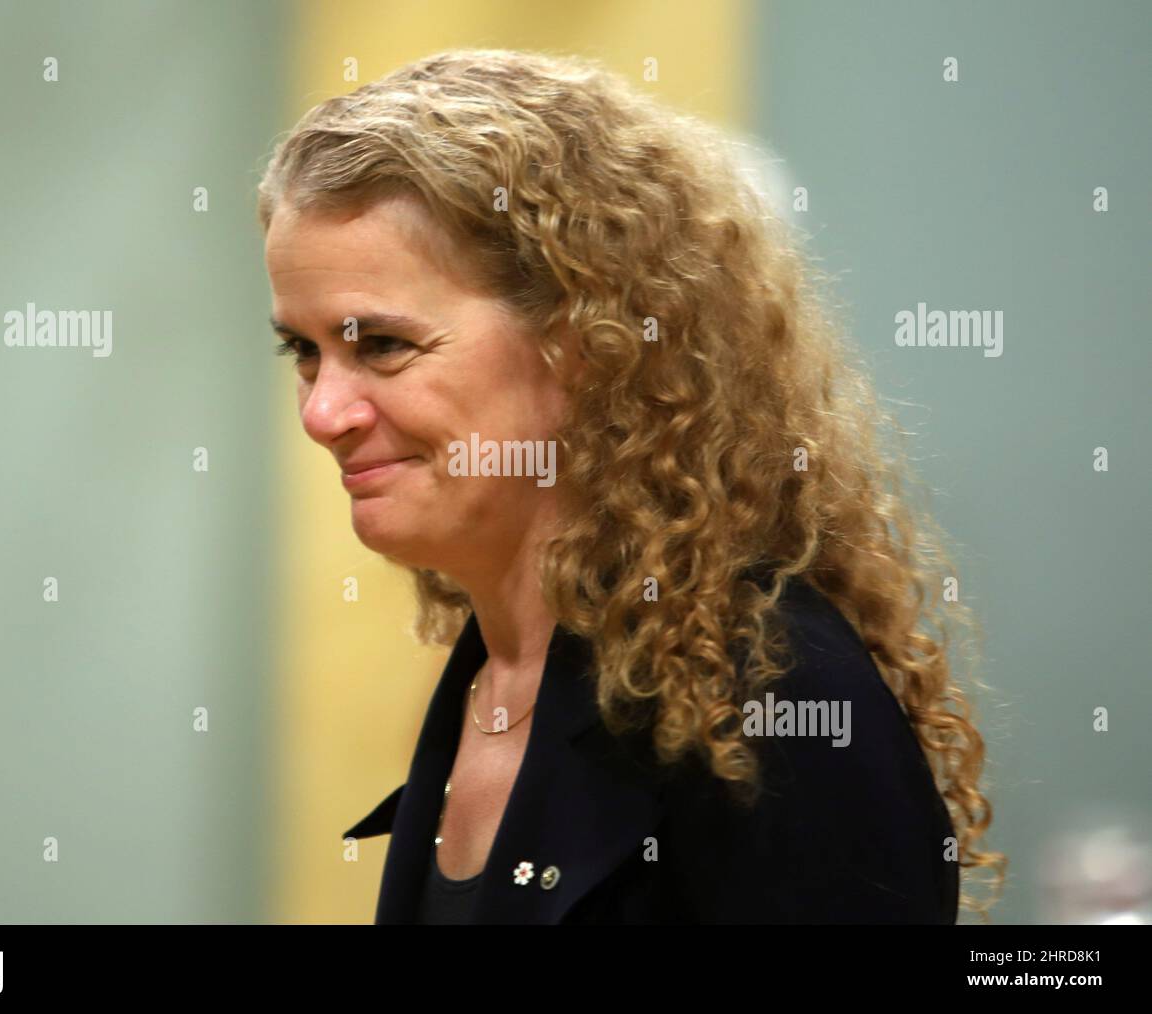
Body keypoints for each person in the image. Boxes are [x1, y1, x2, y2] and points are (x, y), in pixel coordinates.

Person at [256, 48, 1005, 923]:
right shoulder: (493, 675)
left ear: (586, 339)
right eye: (304, 352)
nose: (323, 413)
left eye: (382, 345)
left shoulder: (771, 695)